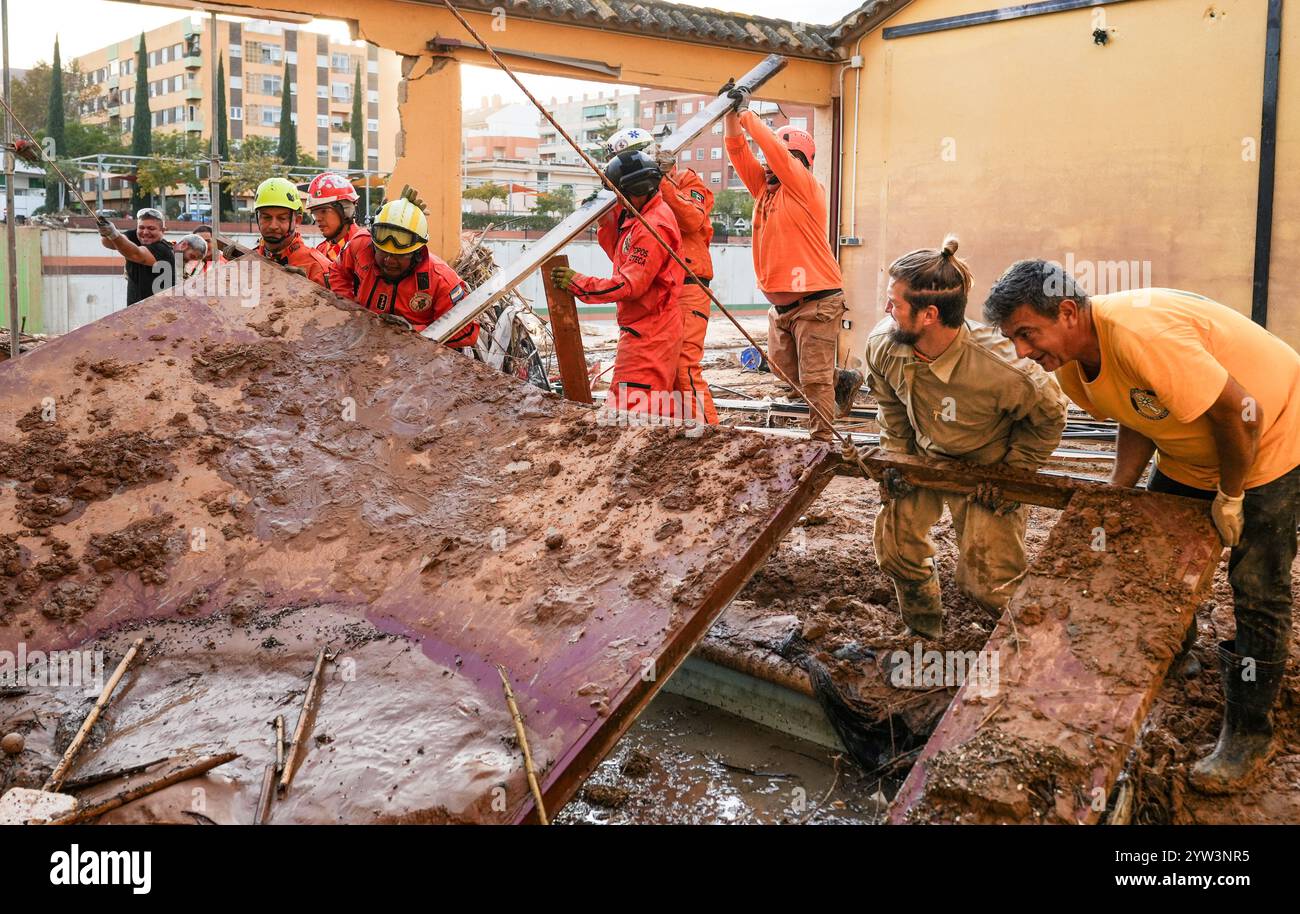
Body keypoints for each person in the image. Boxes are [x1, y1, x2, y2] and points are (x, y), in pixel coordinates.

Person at [984, 261, 1300, 794]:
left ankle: (1250, 733)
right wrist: (1120, 492)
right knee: (1151, 563)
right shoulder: (1070, 365)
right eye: (1013, 339)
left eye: (1026, 334)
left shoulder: (1139, 334)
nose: (1021, 352)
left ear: (1066, 311)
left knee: (1256, 587)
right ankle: (1176, 657)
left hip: (1271, 438)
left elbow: (1240, 414)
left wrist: (1231, 494)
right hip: (1191, 453)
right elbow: (1139, 413)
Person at [867, 238, 1067, 638]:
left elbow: (1050, 416)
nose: (887, 311)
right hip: (922, 456)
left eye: (895, 303)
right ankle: (923, 633)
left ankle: (1024, 650)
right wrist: (896, 457)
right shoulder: (885, 345)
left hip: (989, 469)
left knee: (988, 581)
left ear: (929, 315)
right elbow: (890, 404)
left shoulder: (1004, 369)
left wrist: (1016, 472)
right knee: (896, 549)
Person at [722, 82, 861, 440]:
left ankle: (823, 443)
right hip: (782, 308)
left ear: (801, 164)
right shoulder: (764, 193)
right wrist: (730, 117)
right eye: (767, 164)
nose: (769, 168)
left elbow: (778, 155)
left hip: (817, 303)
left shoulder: (805, 188)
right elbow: (739, 153)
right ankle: (840, 380)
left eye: (777, 162)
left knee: (814, 381)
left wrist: (747, 114)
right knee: (786, 375)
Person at [549, 150, 684, 418]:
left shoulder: (651, 226)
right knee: (646, 408)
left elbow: (630, 284)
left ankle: (634, 458)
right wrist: (606, 218)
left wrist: (579, 284)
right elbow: (621, 255)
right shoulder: (639, 216)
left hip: (650, 332)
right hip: (646, 328)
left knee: (632, 411)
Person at [607, 127, 718, 423]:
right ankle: (674, 439)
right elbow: (622, 254)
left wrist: (662, 181)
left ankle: (709, 439)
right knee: (659, 371)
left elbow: (693, 220)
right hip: (656, 296)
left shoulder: (685, 181)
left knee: (684, 367)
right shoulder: (630, 205)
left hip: (688, 287)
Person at [328, 196, 479, 346]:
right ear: (373, 244)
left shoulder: (441, 280)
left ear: (417, 253)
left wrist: (412, 333)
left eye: (399, 256)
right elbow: (338, 272)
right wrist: (352, 311)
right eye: (383, 252)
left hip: (417, 356)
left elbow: (467, 331)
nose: (389, 261)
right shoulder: (360, 245)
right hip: (363, 341)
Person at [251, 177, 331, 286]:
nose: (273, 226)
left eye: (282, 218)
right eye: (266, 217)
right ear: (257, 218)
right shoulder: (247, 261)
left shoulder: (317, 267)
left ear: (297, 220)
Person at [98, 207, 178, 305]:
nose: (145, 232)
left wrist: (114, 234)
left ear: (163, 231)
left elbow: (135, 254)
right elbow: (110, 243)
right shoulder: (135, 236)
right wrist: (105, 233)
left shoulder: (163, 250)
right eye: (141, 227)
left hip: (160, 313)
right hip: (136, 313)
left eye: (151, 228)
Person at [306, 172, 366, 262]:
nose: (318, 219)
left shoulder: (364, 246)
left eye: (323, 211)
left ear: (346, 210)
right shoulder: (321, 250)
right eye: (314, 213)